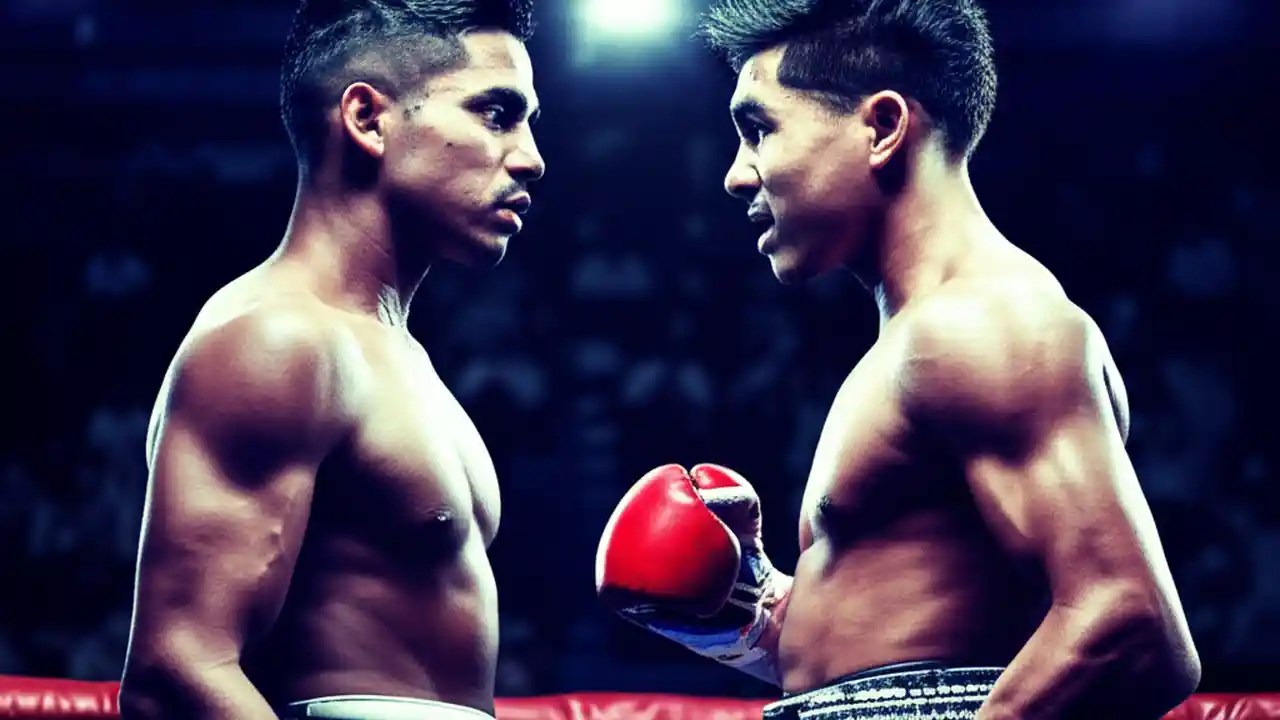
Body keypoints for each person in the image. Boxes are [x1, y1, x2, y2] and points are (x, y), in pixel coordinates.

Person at [596, 1, 1201, 718]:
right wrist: (750, 608)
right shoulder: (924, 336)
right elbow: (891, 659)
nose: (736, 174)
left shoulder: (985, 321)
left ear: (881, 128)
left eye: (758, 129)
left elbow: (1131, 626)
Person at [117, 1, 544, 718]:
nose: (531, 155)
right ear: (368, 119)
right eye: (496, 113)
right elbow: (176, 669)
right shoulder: (277, 339)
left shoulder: (396, 355)